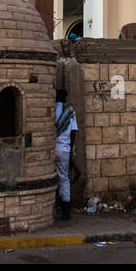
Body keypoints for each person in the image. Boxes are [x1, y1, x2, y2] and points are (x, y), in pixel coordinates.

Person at [54, 88, 78, 220]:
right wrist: (70, 148)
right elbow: (74, 131)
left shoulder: (50, 108)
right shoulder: (69, 111)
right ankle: (66, 210)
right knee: (64, 178)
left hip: (50, 148)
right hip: (64, 149)